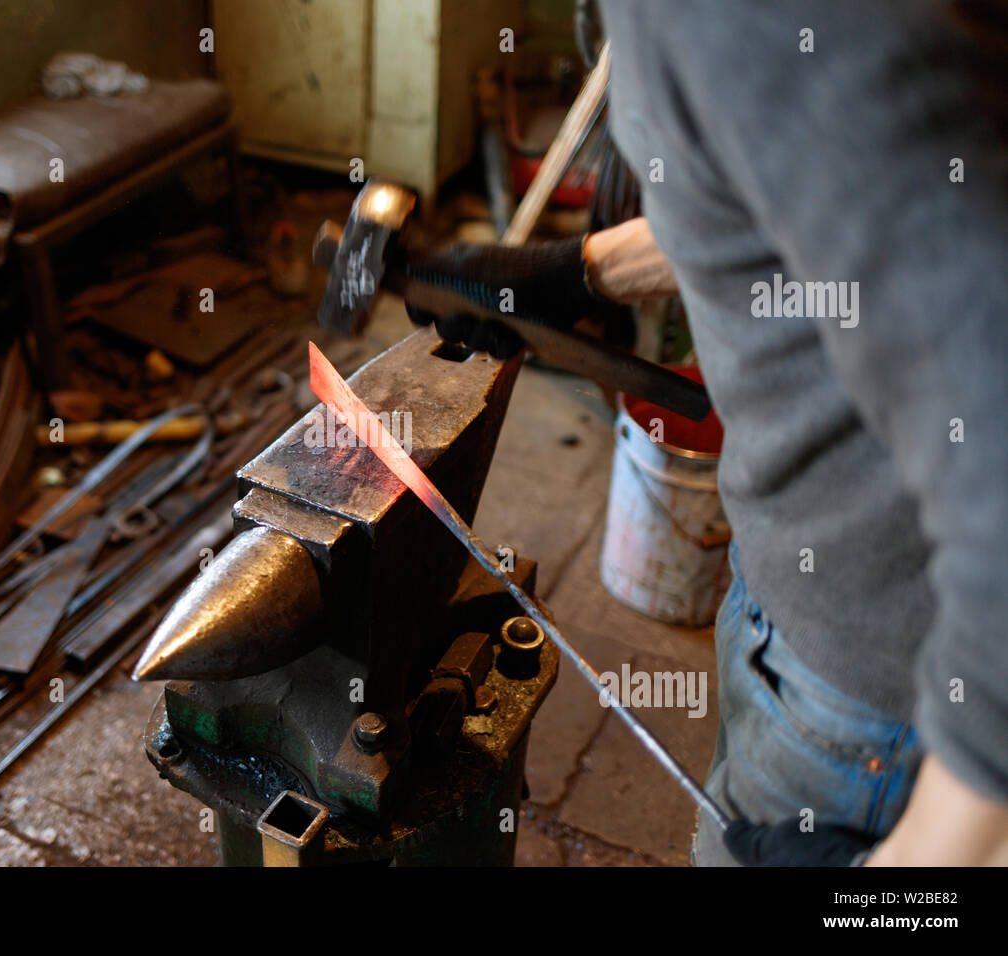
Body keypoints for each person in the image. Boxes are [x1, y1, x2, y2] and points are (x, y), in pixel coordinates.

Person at [422, 1, 1008, 865]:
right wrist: (575, 274)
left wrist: (915, 874)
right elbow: (795, 181)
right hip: (800, 608)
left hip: (884, 690)